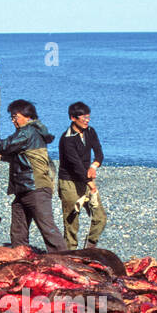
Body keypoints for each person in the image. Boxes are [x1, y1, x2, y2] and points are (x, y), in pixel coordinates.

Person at [0, 100, 65, 250]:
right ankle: (20, 256)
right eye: (12, 118)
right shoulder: (33, 133)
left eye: (16, 117)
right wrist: (2, 155)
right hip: (24, 188)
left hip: (35, 188)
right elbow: (23, 158)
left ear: (28, 116)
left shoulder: (28, 131)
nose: (14, 121)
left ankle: (64, 259)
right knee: (18, 226)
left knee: (47, 227)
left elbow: (6, 146)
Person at [57, 101, 106, 249]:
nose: (87, 120)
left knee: (100, 217)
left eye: (88, 116)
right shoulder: (67, 139)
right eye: (83, 117)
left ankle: (89, 247)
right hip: (69, 182)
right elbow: (76, 165)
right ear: (73, 118)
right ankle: (70, 253)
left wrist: (93, 166)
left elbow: (99, 153)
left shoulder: (90, 131)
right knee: (72, 221)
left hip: (85, 177)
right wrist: (90, 183)